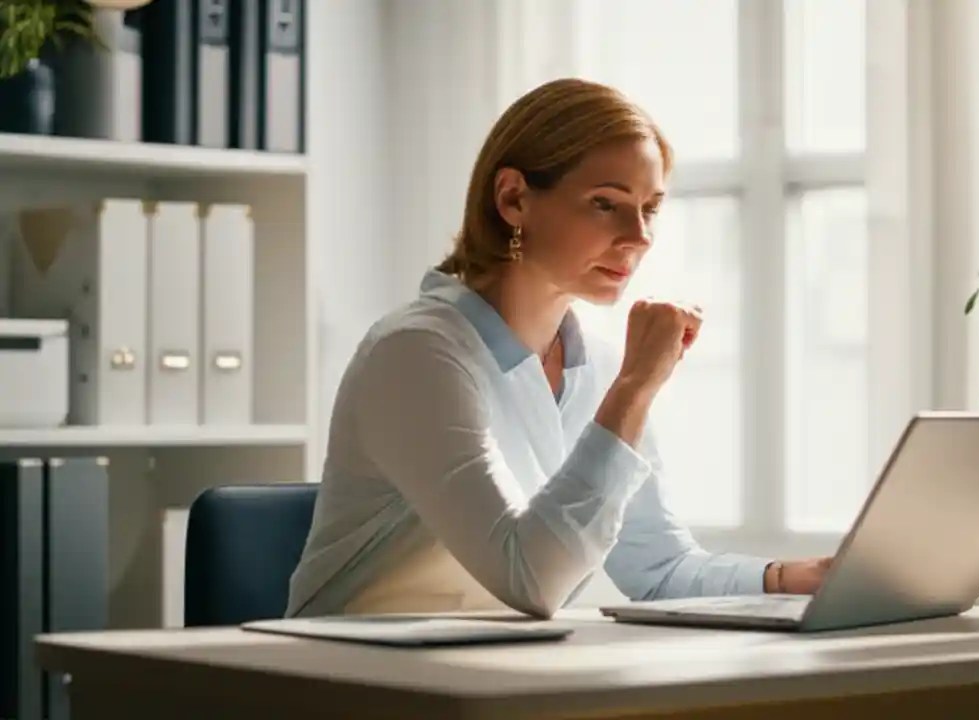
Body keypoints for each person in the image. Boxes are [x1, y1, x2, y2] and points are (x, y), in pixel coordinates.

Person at [286, 78, 832, 620]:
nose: (639, 235)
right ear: (514, 199)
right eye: (605, 204)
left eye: (651, 207)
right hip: (352, 683)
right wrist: (636, 389)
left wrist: (791, 578)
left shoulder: (597, 367)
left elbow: (661, 571)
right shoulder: (415, 354)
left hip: (491, 680)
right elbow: (530, 578)